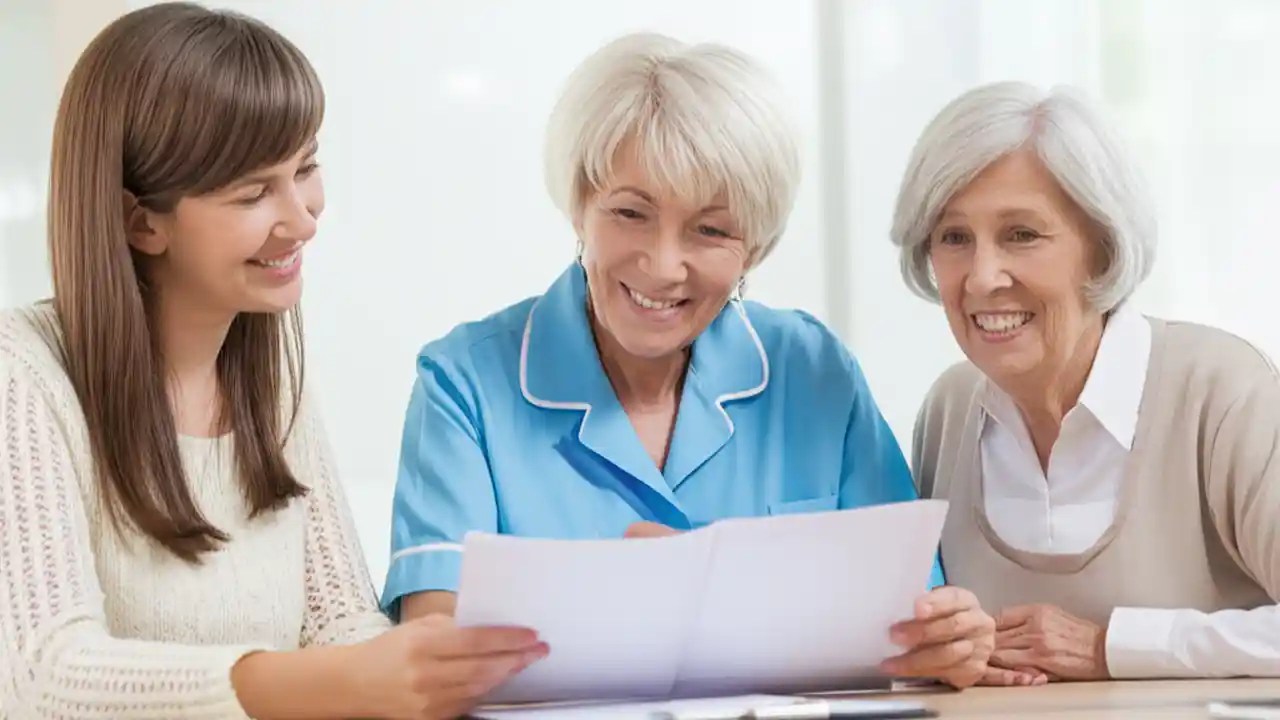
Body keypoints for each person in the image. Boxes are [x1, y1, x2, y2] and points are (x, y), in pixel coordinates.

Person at [383, 32, 998, 689]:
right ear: (579, 208)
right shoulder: (463, 383)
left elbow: (911, 617)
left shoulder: (815, 371)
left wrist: (950, 642)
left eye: (710, 230)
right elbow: (433, 651)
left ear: (754, 248)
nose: (663, 264)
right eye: (630, 213)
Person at [0, 4, 545, 719]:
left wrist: (436, 664)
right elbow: (45, 675)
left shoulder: (268, 376)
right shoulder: (24, 374)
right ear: (142, 222)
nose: (304, 217)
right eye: (254, 192)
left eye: (306, 168)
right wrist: (340, 682)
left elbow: (339, 624)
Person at [895, 81, 1280, 681]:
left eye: (1021, 234)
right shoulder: (949, 407)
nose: (981, 278)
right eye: (954, 238)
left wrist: (1113, 646)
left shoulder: (1220, 391)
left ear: (1101, 249)